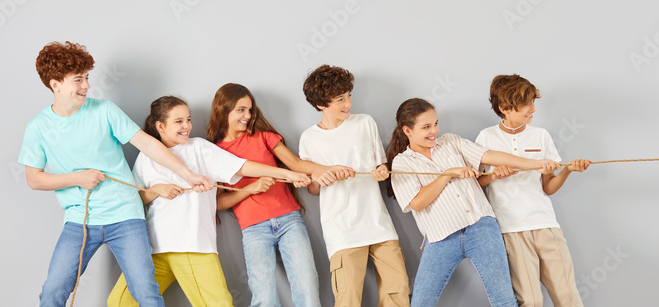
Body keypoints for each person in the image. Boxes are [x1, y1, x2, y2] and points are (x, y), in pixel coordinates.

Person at [19, 41, 213, 307]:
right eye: (78, 80)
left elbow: (147, 144)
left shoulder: (105, 110)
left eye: (87, 77)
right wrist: (76, 178)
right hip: (79, 220)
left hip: (125, 216)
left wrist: (188, 175)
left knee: (146, 293)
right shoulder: (38, 127)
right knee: (52, 292)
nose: (86, 85)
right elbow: (34, 178)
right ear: (56, 85)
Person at [106, 96, 311, 306]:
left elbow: (243, 167)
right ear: (160, 126)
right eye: (179, 121)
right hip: (153, 250)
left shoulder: (199, 148)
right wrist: (156, 191)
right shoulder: (145, 157)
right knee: (118, 303)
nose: (187, 126)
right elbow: (135, 198)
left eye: (188, 119)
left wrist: (288, 174)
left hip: (193, 246)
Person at [387, 98, 561, 307]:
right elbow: (417, 203)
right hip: (441, 238)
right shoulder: (402, 162)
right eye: (426, 127)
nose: (434, 130)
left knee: (504, 301)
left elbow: (490, 156)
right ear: (407, 130)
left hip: (481, 228)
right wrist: (447, 175)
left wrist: (534, 163)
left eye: (435, 123)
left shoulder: (450, 141)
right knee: (421, 303)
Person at [206, 83, 350, 307]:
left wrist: (328, 170)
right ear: (223, 110)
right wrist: (249, 189)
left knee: (308, 290)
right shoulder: (214, 152)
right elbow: (218, 203)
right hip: (253, 229)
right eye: (240, 110)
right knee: (264, 298)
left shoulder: (264, 136)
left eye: (250, 110)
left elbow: (296, 164)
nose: (247, 116)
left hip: (289, 220)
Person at [299, 65, 410, 306]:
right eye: (340, 99)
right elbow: (313, 189)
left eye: (349, 95)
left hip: (378, 224)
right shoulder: (309, 138)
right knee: (348, 298)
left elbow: (381, 166)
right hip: (341, 231)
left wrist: (382, 172)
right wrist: (323, 175)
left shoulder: (365, 123)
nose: (348, 103)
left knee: (398, 291)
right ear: (321, 104)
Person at [475, 74, 591, 307]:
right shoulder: (486, 137)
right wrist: (493, 176)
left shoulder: (541, 135)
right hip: (511, 229)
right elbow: (475, 186)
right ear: (504, 108)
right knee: (531, 301)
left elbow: (548, 187)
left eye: (533, 102)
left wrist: (568, 170)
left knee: (568, 297)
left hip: (546, 225)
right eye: (526, 104)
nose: (533, 109)